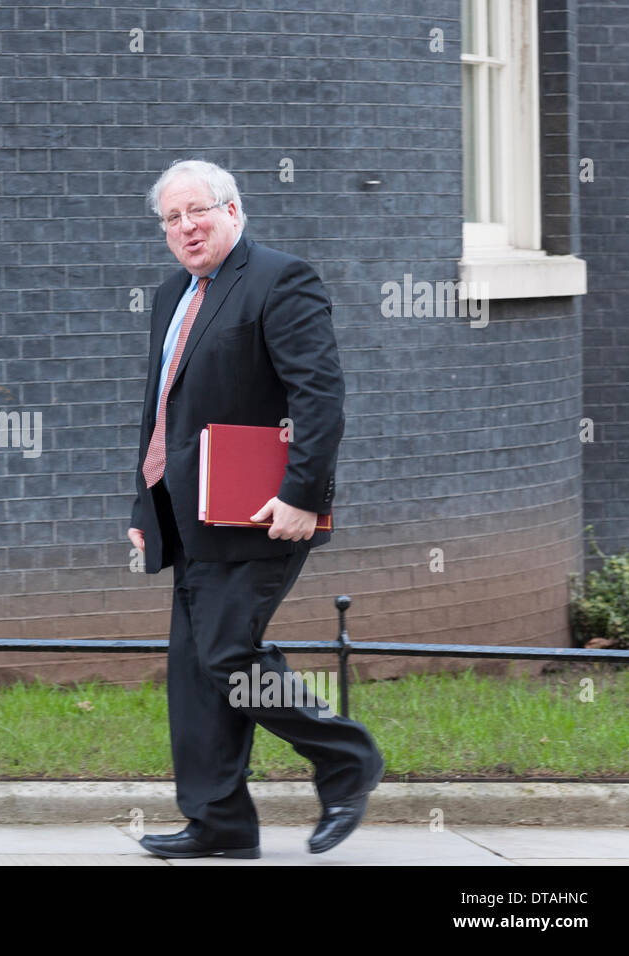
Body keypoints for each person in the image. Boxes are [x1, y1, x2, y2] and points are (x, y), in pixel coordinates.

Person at [128, 159, 384, 858]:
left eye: (198, 212)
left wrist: (304, 495)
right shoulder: (170, 295)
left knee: (226, 652)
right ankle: (219, 825)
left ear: (233, 211)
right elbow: (161, 414)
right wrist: (143, 505)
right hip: (186, 514)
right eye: (173, 219)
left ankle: (346, 757)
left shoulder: (280, 279)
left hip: (263, 512)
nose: (187, 228)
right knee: (196, 671)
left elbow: (319, 398)